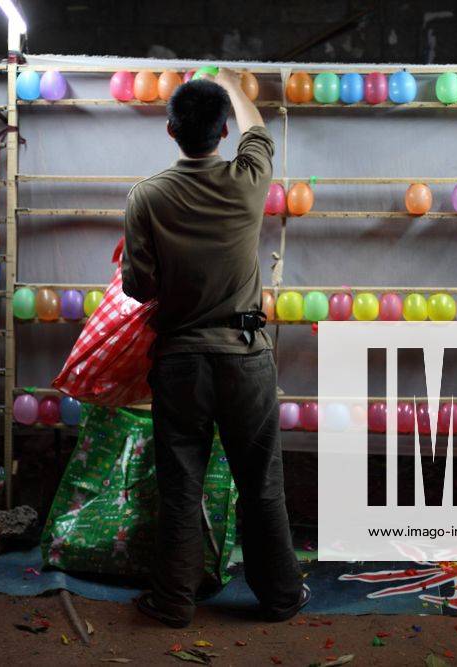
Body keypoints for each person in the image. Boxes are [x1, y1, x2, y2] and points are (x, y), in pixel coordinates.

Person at [122, 69, 308, 628]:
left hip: (180, 364)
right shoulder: (247, 179)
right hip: (246, 356)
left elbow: (138, 287)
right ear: (222, 131)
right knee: (261, 485)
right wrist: (228, 81)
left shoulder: (147, 197)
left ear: (171, 130)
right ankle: (280, 598)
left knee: (181, 488)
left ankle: (174, 601)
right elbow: (260, 132)